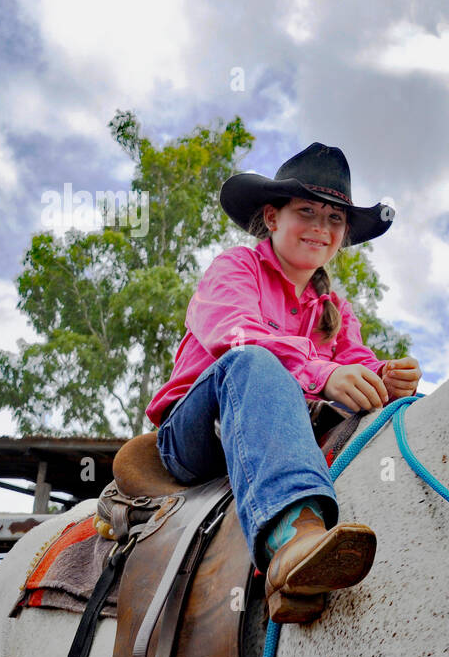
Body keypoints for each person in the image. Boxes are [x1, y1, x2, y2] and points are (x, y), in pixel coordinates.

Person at [144, 142, 422, 623]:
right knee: (252, 362)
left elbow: (355, 359)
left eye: (335, 219)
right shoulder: (235, 268)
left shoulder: (335, 307)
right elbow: (233, 336)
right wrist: (324, 374)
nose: (321, 228)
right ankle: (293, 537)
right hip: (196, 435)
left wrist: (385, 379)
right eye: (307, 212)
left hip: (283, 428)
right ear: (272, 218)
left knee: (400, 416)